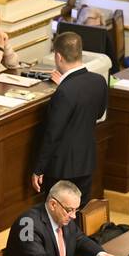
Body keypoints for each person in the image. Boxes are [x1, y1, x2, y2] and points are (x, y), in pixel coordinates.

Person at [31, 31, 107, 205]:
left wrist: (38, 169)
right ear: (80, 53)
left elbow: (52, 134)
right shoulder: (98, 81)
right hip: (86, 162)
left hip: (62, 168)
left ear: (58, 57)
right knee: (79, 214)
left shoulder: (65, 91)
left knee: (59, 216)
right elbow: (98, 113)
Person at [3, 180, 116, 256]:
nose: (73, 216)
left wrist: (99, 253)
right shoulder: (26, 223)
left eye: (76, 210)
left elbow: (80, 239)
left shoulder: (65, 217)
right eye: (69, 210)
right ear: (53, 204)